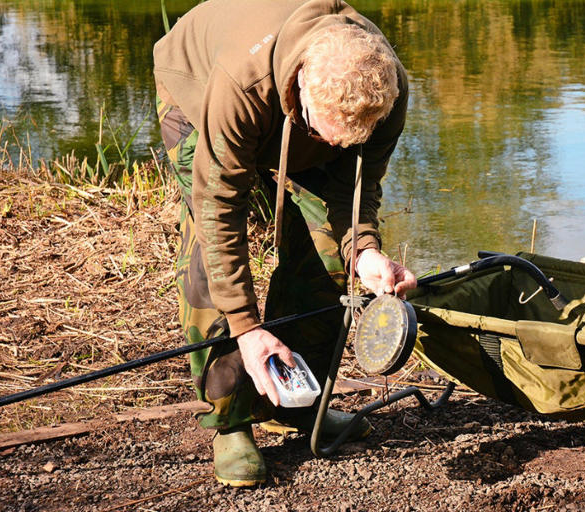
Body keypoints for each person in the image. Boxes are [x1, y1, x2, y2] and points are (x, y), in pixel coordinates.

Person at [153, 0, 416, 487]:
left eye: (348, 141)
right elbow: (219, 210)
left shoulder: (386, 91)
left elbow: (355, 187)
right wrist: (248, 328)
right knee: (212, 265)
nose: (337, 148)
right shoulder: (242, 83)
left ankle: (295, 399)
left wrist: (364, 250)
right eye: (326, 134)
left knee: (328, 254)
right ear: (301, 91)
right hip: (197, 90)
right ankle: (229, 419)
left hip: (298, 110)